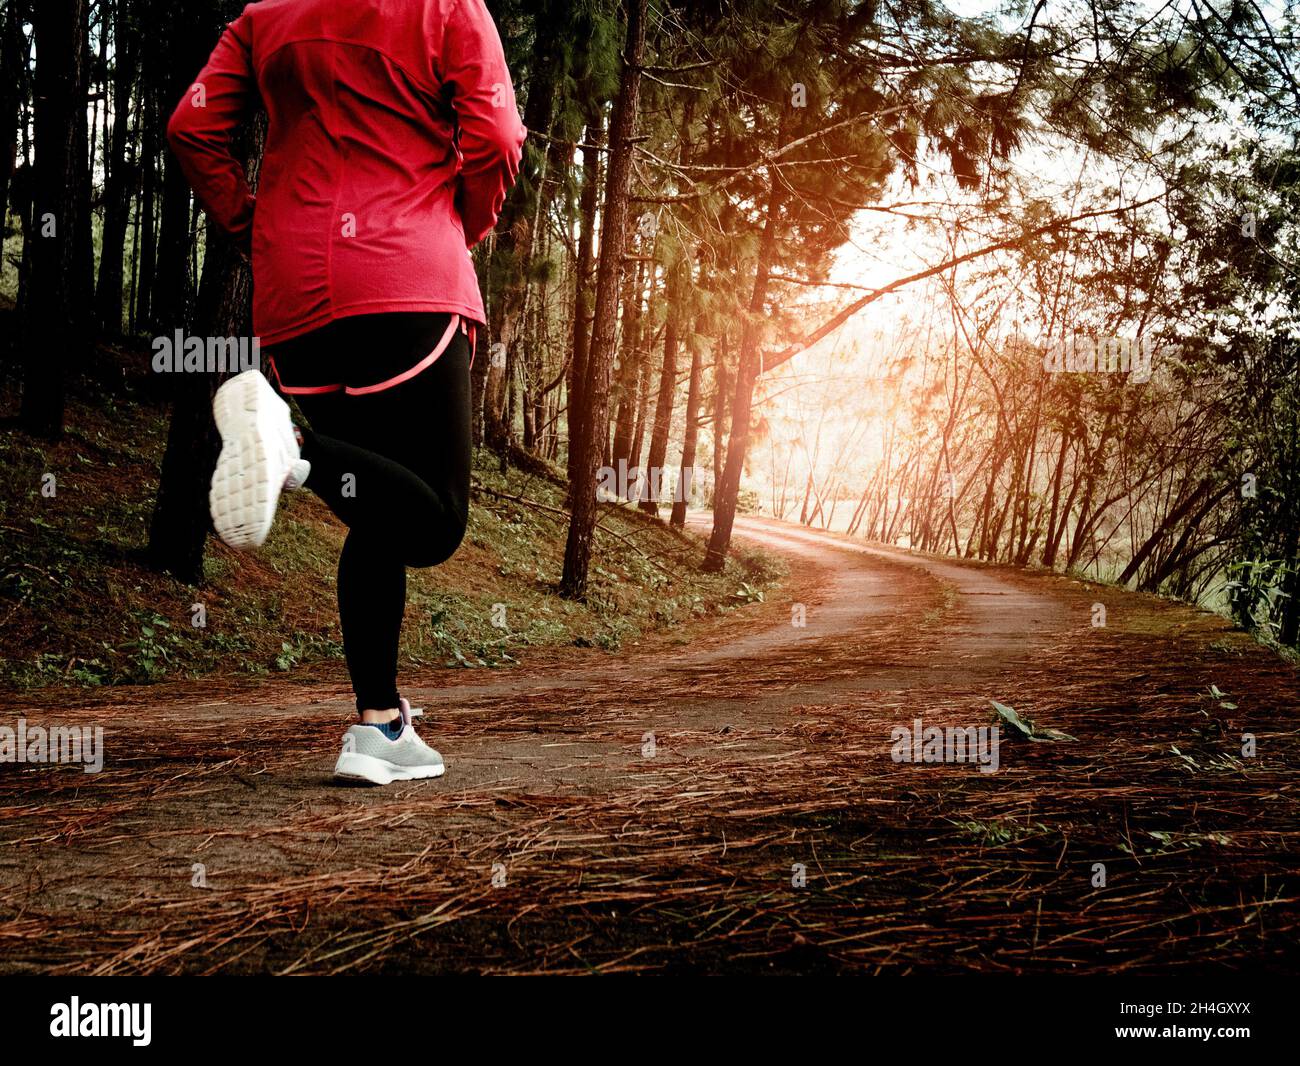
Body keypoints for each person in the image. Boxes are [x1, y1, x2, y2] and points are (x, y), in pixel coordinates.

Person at [166, 0, 526, 784]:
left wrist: (249, 223)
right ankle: (293, 451)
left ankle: (378, 728)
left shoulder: (265, 12)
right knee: (436, 522)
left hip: (294, 295)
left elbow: (189, 129)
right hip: (407, 278)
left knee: (376, 505)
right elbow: (498, 137)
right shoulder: (446, 6)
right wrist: (460, 224)